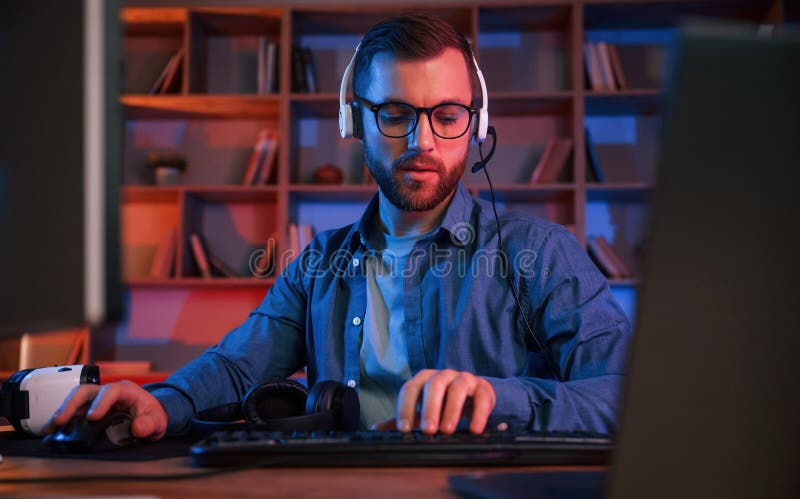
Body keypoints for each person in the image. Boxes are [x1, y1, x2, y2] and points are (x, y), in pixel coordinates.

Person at [45, 13, 630, 441]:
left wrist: (497, 397)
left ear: (476, 126)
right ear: (355, 120)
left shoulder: (541, 254)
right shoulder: (316, 265)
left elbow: (627, 394)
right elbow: (234, 366)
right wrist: (160, 402)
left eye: (447, 116)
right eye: (395, 114)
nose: (421, 141)